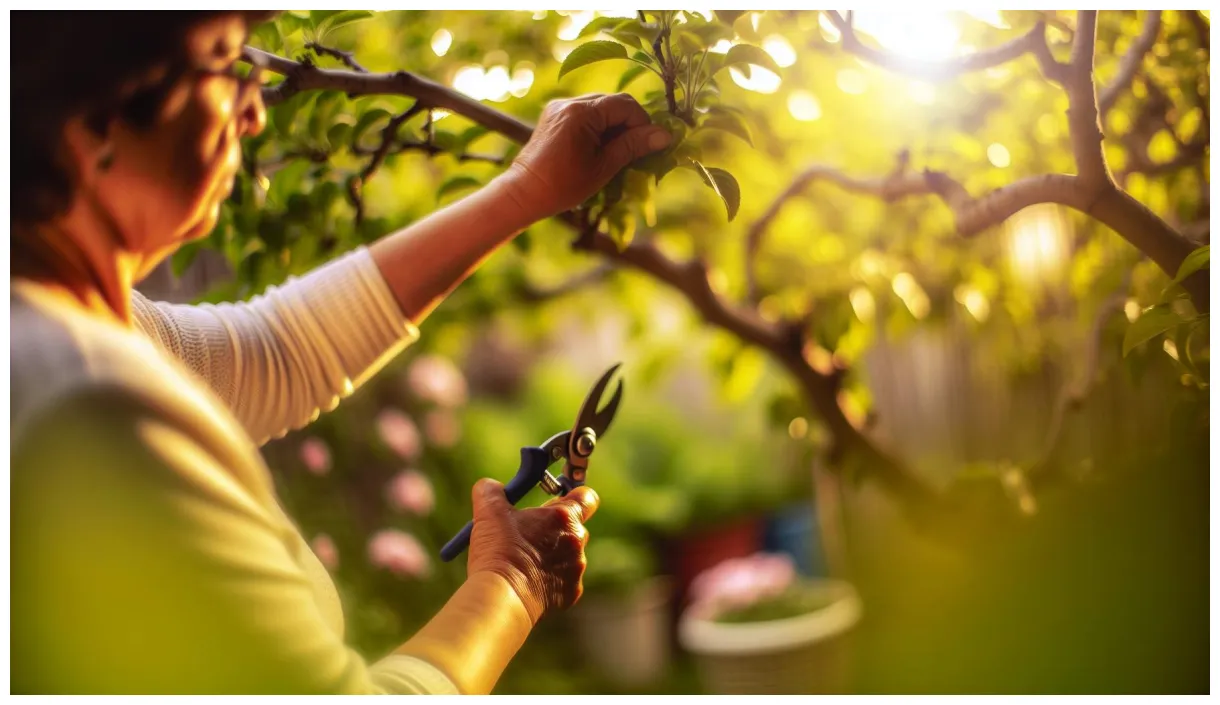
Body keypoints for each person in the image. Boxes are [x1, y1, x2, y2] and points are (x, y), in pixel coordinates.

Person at [11, 11, 673, 695]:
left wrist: (527, 188)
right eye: (226, 60)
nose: (254, 113)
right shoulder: (89, 411)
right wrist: (512, 582)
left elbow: (281, 349)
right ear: (89, 113)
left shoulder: (66, 331)